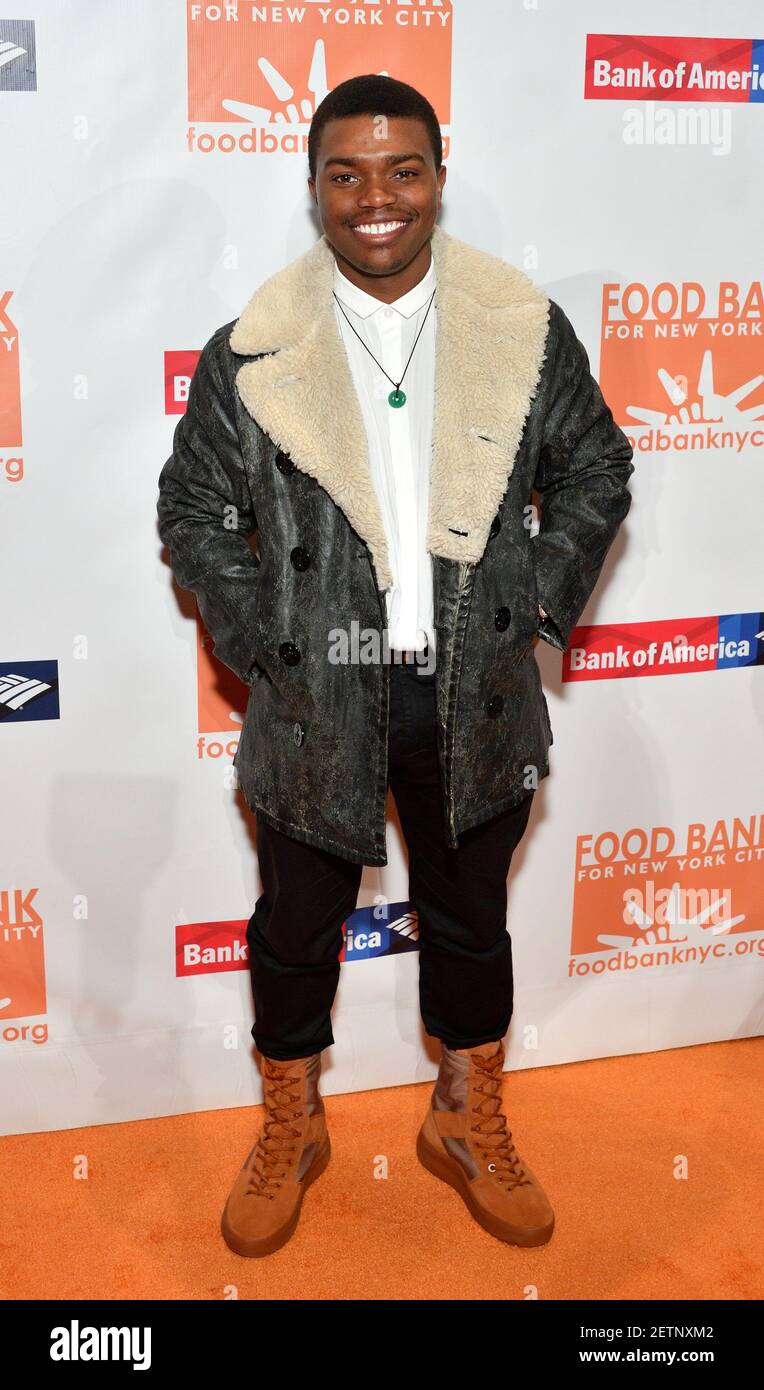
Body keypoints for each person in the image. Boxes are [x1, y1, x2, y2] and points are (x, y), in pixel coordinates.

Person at [156, 74, 634, 1259]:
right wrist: (268, 635)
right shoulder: (254, 348)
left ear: (436, 177)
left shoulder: (516, 330)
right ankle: (291, 1120)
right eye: (346, 173)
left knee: (472, 921)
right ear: (316, 187)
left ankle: (466, 1117)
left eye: (401, 170)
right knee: (291, 930)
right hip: (318, 691)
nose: (377, 198)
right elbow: (192, 509)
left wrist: (532, 608)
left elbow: (594, 471)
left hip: (470, 689)